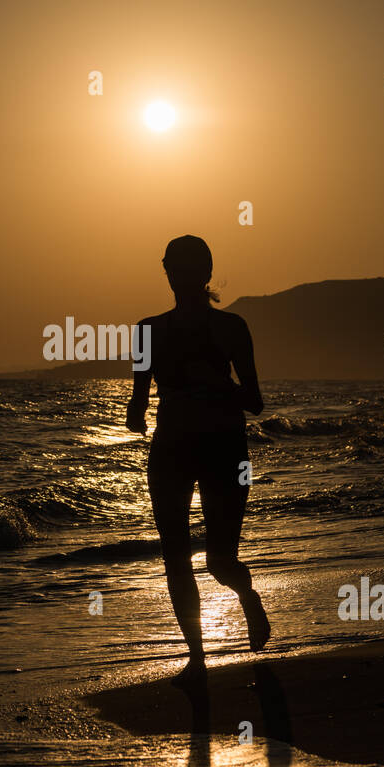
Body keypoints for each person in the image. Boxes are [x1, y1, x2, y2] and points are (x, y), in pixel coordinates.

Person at [126, 235, 270, 683]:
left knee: (219, 561)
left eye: (188, 268)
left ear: (206, 274)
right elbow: (135, 407)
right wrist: (139, 416)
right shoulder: (148, 330)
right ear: (166, 271)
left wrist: (214, 383)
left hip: (224, 447)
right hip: (171, 450)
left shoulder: (232, 327)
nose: (180, 276)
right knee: (175, 557)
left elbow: (256, 402)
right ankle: (196, 657)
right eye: (173, 267)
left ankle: (248, 598)